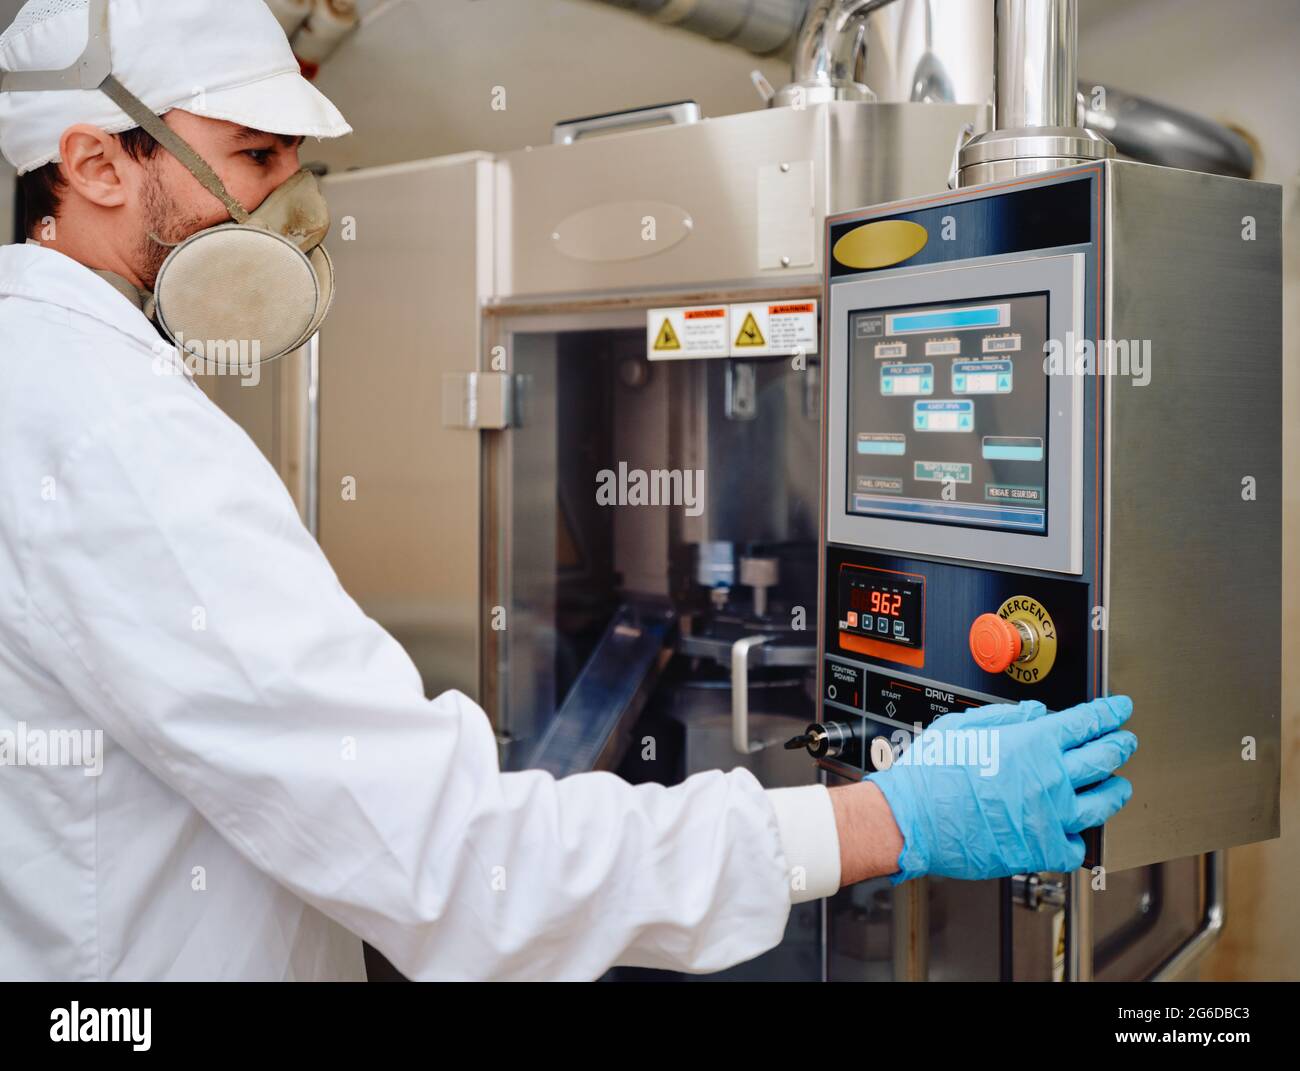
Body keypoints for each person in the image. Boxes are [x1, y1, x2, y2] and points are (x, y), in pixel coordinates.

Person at [0, 0, 1137, 981]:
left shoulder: (52, 378)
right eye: (256, 157)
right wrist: (883, 819)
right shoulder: (115, 430)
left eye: (299, 165)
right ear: (100, 165)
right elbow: (446, 855)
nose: (293, 214)